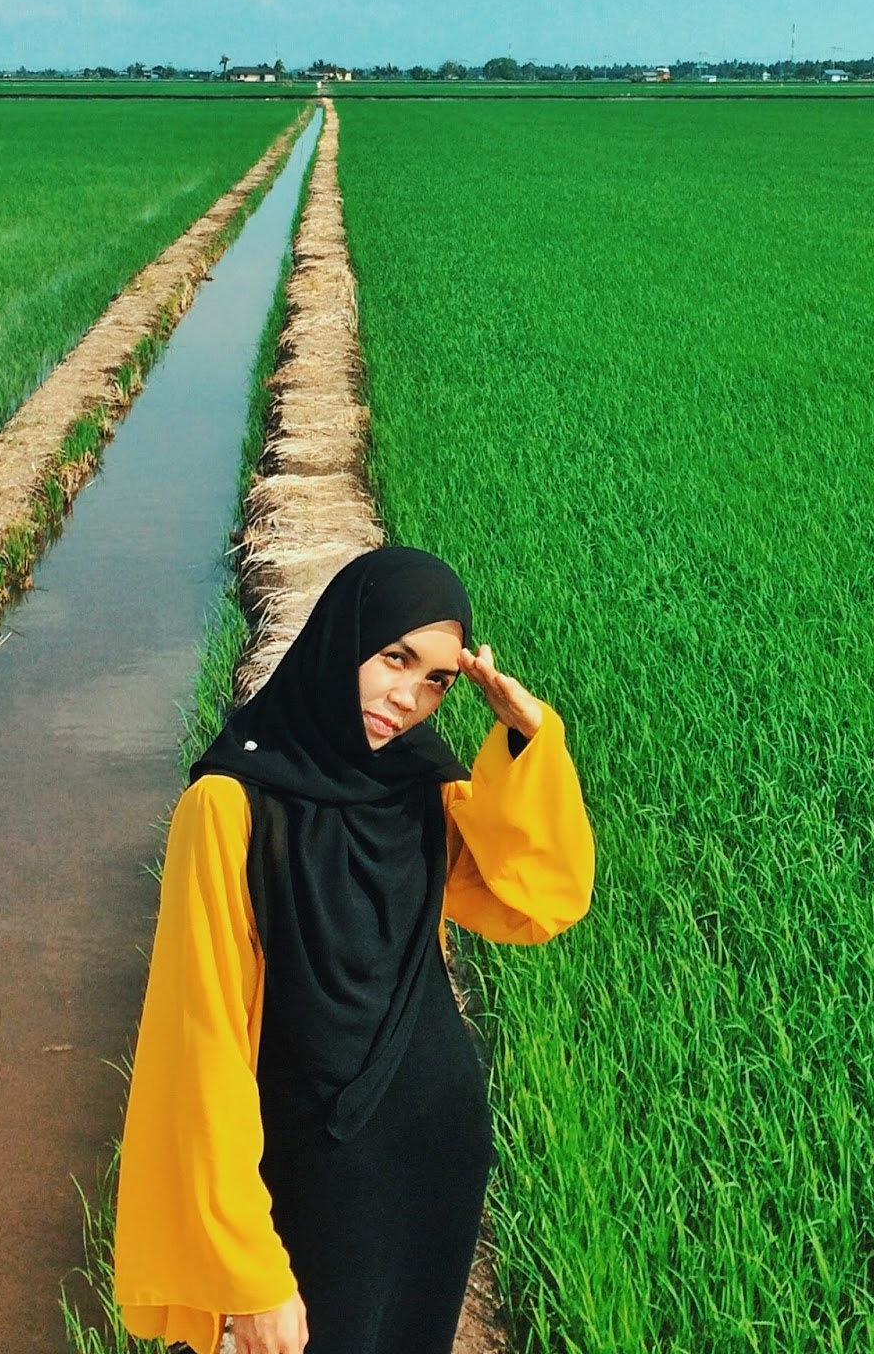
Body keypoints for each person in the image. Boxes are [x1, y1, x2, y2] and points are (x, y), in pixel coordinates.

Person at [113, 545, 594, 1354]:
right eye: (396, 658)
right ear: (344, 637)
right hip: (312, 1173)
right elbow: (203, 1046)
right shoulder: (228, 804)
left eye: (438, 680)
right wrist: (249, 1268)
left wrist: (528, 739)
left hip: (436, 1149)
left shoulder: (418, 786)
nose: (408, 698)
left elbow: (533, 898)